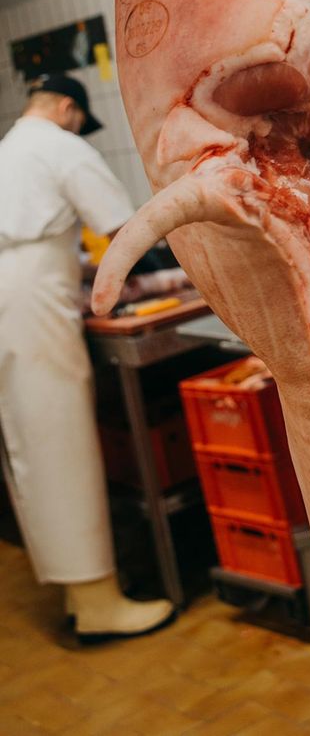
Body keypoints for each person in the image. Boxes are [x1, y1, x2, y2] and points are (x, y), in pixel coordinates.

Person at [0, 73, 175, 641]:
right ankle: (99, 601)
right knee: (60, 442)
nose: (80, 130)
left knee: (32, 445)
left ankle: (80, 595)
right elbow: (128, 231)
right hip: (34, 305)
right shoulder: (58, 145)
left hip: (15, 301)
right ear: (66, 108)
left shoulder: (9, 149)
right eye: (80, 121)